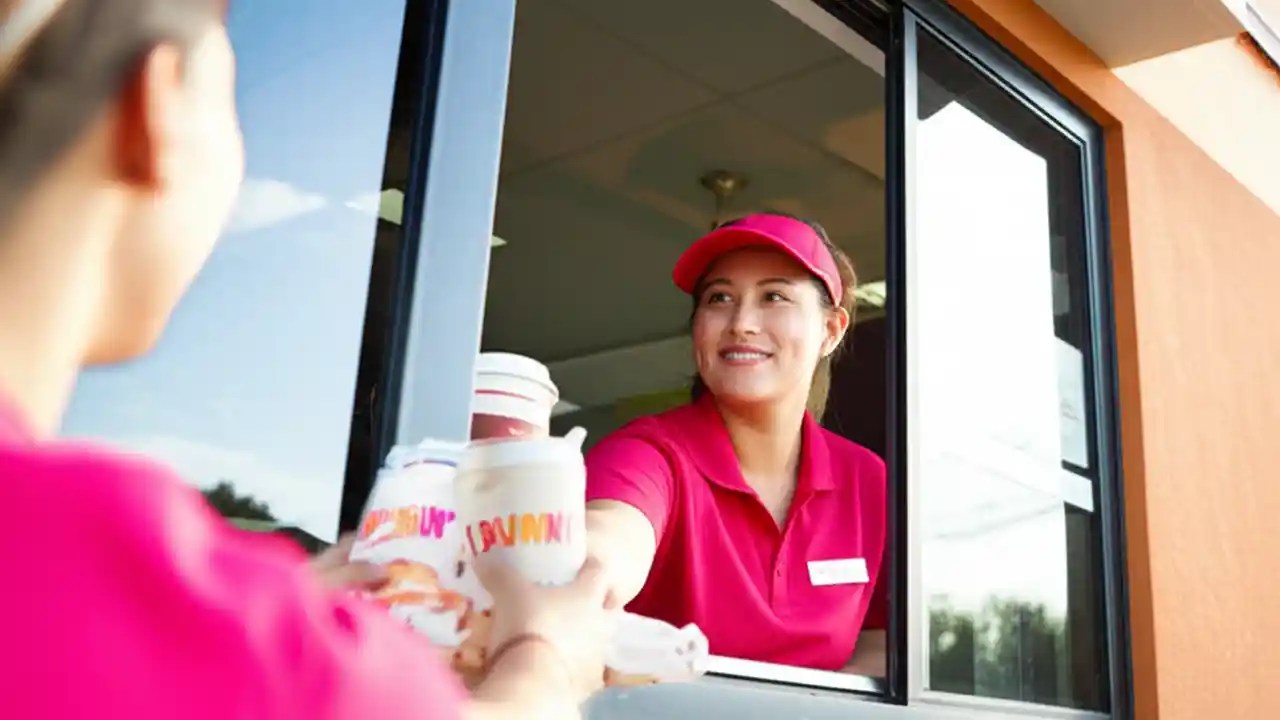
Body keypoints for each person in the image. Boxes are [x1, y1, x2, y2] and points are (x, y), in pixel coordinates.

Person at [0, 1, 610, 718]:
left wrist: (267, 602)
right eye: (232, 104)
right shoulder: (110, 559)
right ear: (156, 103)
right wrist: (545, 658)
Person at [585, 212, 887, 674]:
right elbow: (604, 549)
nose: (742, 323)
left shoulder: (867, 480)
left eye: (774, 297)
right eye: (719, 297)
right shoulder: (646, 455)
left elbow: (881, 641)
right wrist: (585, 575)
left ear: (831, 330)